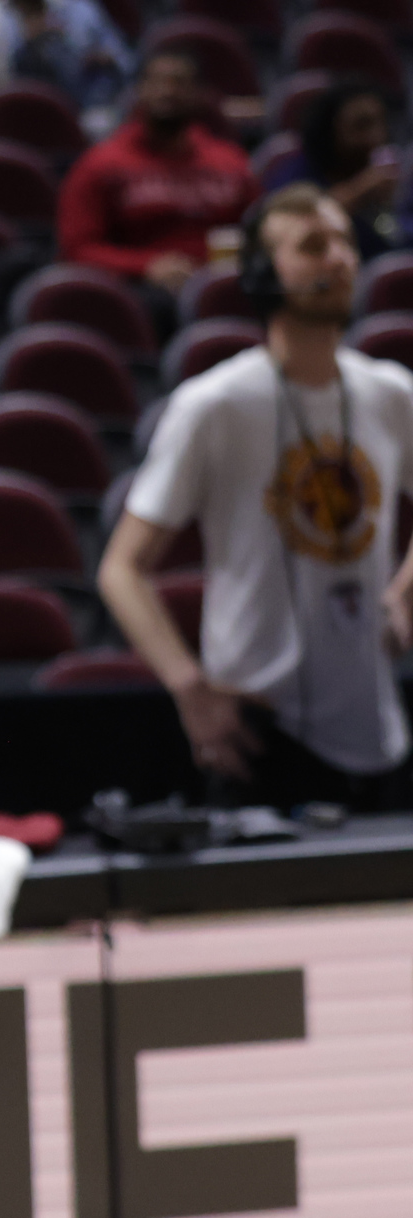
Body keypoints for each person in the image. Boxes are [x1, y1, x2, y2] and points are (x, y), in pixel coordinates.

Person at [101, 185, 413, 812]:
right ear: (263, 275)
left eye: (346, 244)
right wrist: (190, 689)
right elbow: (121, 569)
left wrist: (405, 588)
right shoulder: (215, 404)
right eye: (313, 247)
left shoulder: (391, 393)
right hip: (258, 738)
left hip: (380, 730)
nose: (340, 261)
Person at [59, 47, 257, 314]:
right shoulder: (100, 164)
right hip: (139, 294)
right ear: (139, 90)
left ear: (199, 94)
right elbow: (77, 249)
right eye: (157, 82)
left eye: (179, 82)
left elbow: (261, 232)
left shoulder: (231, 161)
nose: (167, 91)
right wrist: (146, 266)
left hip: (224, 290)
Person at [263, 80, 402, 260]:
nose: (377, 136)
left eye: (380, 122)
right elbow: (288, 225)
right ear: (329, 130)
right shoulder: (295, 172)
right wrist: (361, 190)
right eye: (361, 126)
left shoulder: (390, 176)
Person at [1, 0, 133, 134]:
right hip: (21, 114)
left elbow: (125, 60)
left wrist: (99, 58)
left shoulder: (80, 9)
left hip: (86, 108)